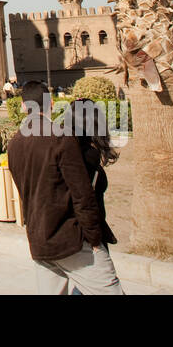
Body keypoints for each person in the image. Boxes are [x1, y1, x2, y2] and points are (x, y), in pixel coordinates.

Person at [6, 80, 121, 295]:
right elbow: (82, 194)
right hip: (71, 240)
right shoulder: (60, 138)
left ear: (22, 106)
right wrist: (95, 239)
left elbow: (26, 192)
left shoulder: (14, 143)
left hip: (39, 240)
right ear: (51, 104)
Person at [66, 98, 121, 291]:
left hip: (77, 228)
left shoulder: (68, 150)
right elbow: (83, 198)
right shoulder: (87, 155)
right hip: (88, 231)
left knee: (85, 285)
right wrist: (94, 238)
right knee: (104, 284)